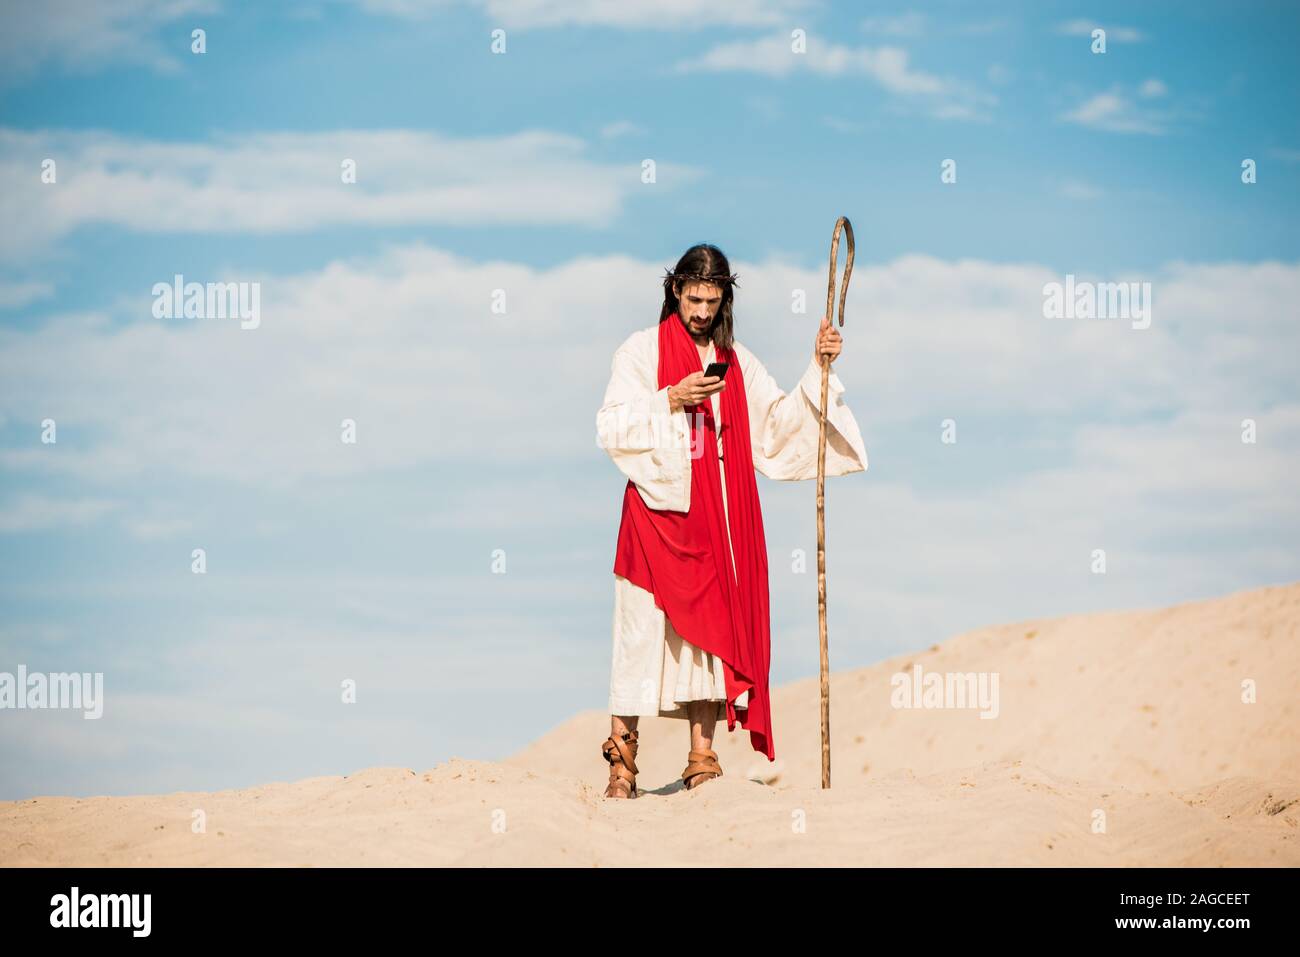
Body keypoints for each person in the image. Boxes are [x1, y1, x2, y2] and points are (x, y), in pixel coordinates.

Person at [594, 243, 869, 798]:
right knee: (640, 635)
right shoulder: (640, 352)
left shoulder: (738, 360)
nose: (701, 312)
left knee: (710, 641)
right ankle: (622, 766)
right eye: (693, 298)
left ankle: (701, 758)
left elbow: (775, 425)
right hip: (655, 518)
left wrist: (818, 366)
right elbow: (611, 426)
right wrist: (670, 399)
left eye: (712, 302)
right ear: (675, 292)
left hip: (717, 522)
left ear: (725, 301)